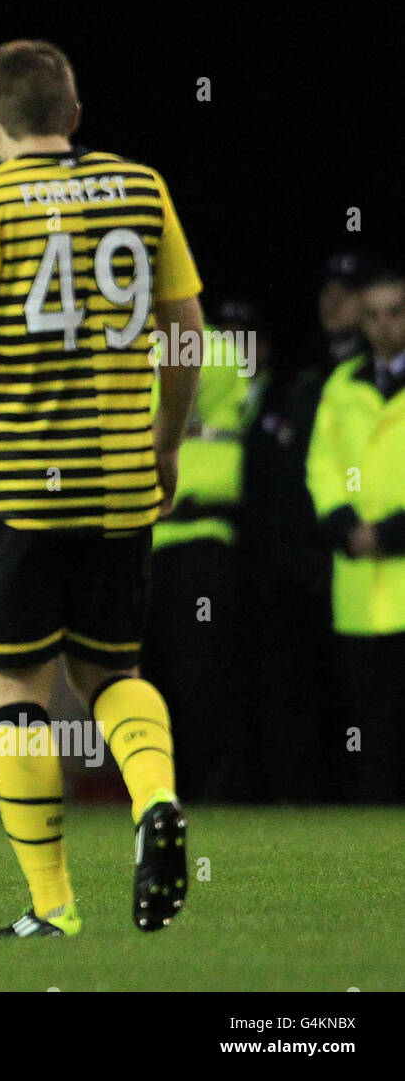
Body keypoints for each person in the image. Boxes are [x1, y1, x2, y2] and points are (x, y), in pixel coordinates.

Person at [0, 40, 202, 937]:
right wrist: (165, 445)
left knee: (17, 687)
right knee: (113, 668)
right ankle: (153, 799)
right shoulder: (141, 187)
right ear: (74, 113)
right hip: (114, 484)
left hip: (16, 486)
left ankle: (54, 903)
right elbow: (184, 327)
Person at [306, 266, 405, 803]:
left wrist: (391, 532)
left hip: (398, 564)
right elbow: (323, 466)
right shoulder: (343, 385)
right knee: (368, 728)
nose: (385, 326)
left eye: (396, 312)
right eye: (373, 315)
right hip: (361, 592)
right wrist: (345, 526)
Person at [141, 321, 251, 801]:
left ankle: (210, 791)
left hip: (202, 538)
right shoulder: (135, 347)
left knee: (200, 677)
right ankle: (159, 793)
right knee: (150, 679)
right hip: (145, 544)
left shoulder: (219, 349)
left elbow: (182, 395)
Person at [234, 299, 337, 802]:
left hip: (286, 573)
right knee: (244, 692)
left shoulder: (290, 400)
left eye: (247, 340)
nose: (237, 351)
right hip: (233, 569)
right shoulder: (208, 400)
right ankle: (253, 793)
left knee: (297, 691)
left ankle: (304, 794)